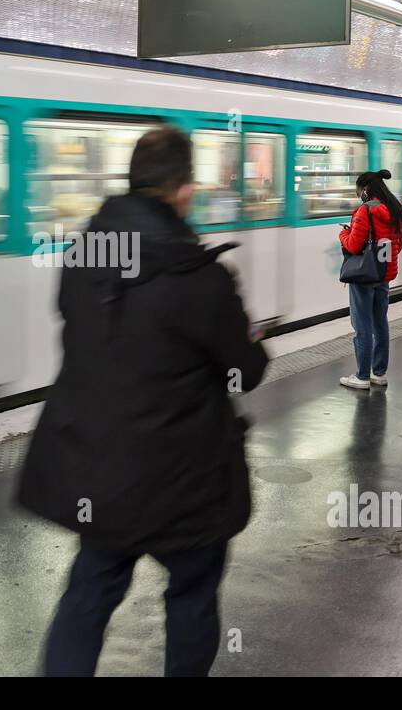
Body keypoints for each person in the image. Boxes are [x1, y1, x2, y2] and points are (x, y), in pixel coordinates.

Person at [16, 125, 269, 677]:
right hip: (186, 481)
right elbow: (244, 373)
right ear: (183, 189)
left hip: (101, 469)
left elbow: (89, 333)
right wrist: (243, 340)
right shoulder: (201, 277)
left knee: (89, 592)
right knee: (192, 593)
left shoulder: (84, 254)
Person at [337, 168, 402, 391]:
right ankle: (379, 373)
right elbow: (398, 245)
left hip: (363, 276)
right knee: (380, 323)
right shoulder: (394, 208)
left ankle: (361, 376)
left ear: (366, 190)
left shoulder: (365, 212)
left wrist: (343, 234)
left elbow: (354, 245)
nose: (359, 196)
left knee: (362, 325)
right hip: (383, 274)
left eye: (359, 191)